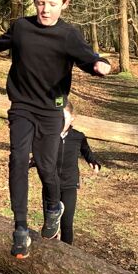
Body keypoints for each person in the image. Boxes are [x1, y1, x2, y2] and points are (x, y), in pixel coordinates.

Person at [0, 0, 111, 259]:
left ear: (64, 3)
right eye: (40, 3)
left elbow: (89, 58)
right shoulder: (22, 28)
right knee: (17, 161)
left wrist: (101, 65)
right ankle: (21, 228)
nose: (45, 9)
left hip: (52, 110)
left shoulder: (68, 35)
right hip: (22, 106)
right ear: (34, 2)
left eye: (51, 3)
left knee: (47, 168)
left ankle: (53, 208)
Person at [40, 101, 101, 245]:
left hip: (69, 184)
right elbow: (41, 155)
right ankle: (50, 251)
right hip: (50, 184)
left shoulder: (78, 137)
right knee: (50, 223)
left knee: (67, 222)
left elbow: (87, 152)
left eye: (64, 117)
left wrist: (94, 162)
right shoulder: (48, 135)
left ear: (72, 118)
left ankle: (67, 253)